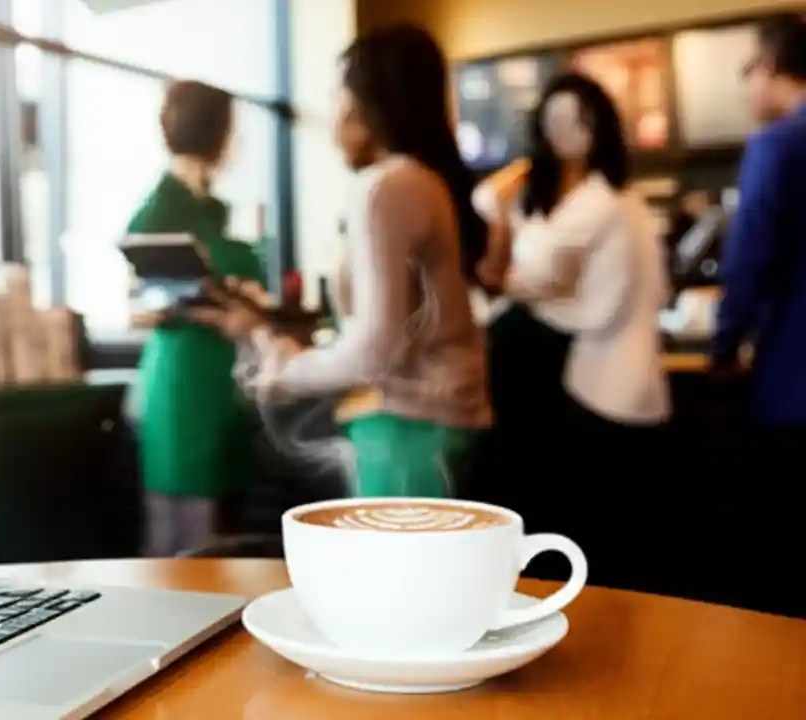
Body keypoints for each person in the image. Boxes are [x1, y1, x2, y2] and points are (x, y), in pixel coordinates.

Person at [193, 25, 492, 499]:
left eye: (336, 93)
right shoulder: (424, 182)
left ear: (362, 104)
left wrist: (285, 373)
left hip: (407, 427)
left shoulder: (386, 186)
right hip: (431, 421)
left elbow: (376, 347)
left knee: (393, 571)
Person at [473, 73, 670, 588]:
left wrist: (501, 259)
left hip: (587, 382)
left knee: (577, 525)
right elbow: (487, 208)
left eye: (578, 121)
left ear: (600, 127)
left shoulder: (602, 201)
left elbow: (525, 279)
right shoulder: (562, 198)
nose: (566, 133)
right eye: (554, 121)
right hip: (570, 375)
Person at [128, 80, 264, 557]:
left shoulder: (209, 210)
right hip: (184, 385)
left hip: (219, 382)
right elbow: (139, 306)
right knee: (181, 543)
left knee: (222, 538)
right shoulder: (159, 211)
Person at [710, 14, 806, 618]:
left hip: (794, 381)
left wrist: (723, 347)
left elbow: (750, 257)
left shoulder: (778, 144)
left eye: (747, 71)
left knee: (785, 557)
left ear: (769, 67)